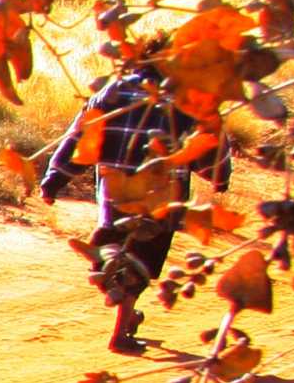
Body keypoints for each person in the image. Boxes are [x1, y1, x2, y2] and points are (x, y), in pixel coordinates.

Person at [39, 65, 230, 356]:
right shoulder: (190, 100)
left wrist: (55, 178)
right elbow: (209, 149)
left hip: (114, 191)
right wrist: (220, 177)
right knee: (139, 261)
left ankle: (123, 311)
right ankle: (121, 333)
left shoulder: (111, 92)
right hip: (161, 197)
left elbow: (81, 138)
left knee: (113, 251)